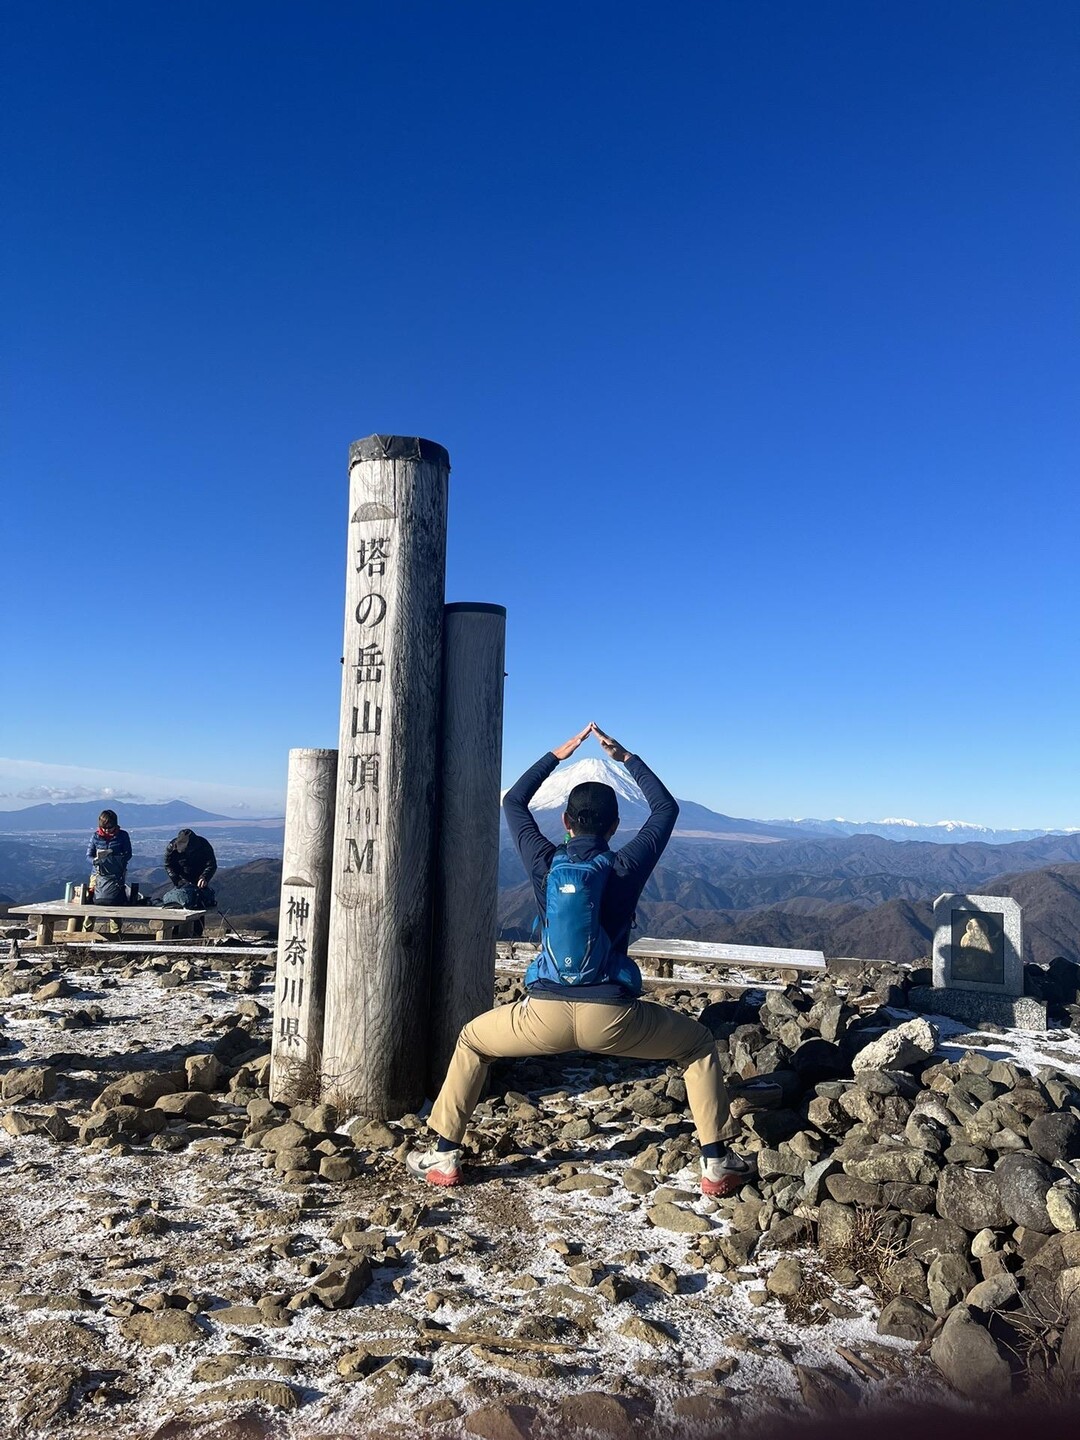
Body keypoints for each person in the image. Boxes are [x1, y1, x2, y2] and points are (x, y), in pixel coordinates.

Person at [407, 721, 752, 1197]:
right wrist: (625, 757)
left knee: (472, 1041)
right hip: (614, 1018)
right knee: (695, 1046)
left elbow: (513, 803)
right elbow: (665, 809)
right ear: (613, 827)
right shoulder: (625, 865)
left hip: (541, 1015)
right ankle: (716, 1163)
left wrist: (556, 756)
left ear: (566, 822)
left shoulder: (545, 861)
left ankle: (444, 1156)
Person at [85, 809, 133, 934]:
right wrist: (95, 860)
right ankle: (86, 932)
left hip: (116, 875)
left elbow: (128, 854)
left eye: (109, 827)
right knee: (91, 903)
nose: (106, 830)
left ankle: (115, 934)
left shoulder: (123, 835)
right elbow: (88, 856)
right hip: (97, 874)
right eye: (104, 827)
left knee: (114, 903)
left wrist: (116, 859)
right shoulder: (95, 836)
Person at [162, 828, 218, 936]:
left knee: (198, 905)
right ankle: (175, 934)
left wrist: (204, 877)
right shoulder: (172, 846)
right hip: (181, 878)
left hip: (199, 877)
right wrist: (177, 880)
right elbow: (168, 865)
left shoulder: (203, 845)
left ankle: (197, 934)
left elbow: (211, 864)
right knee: (180, 903)